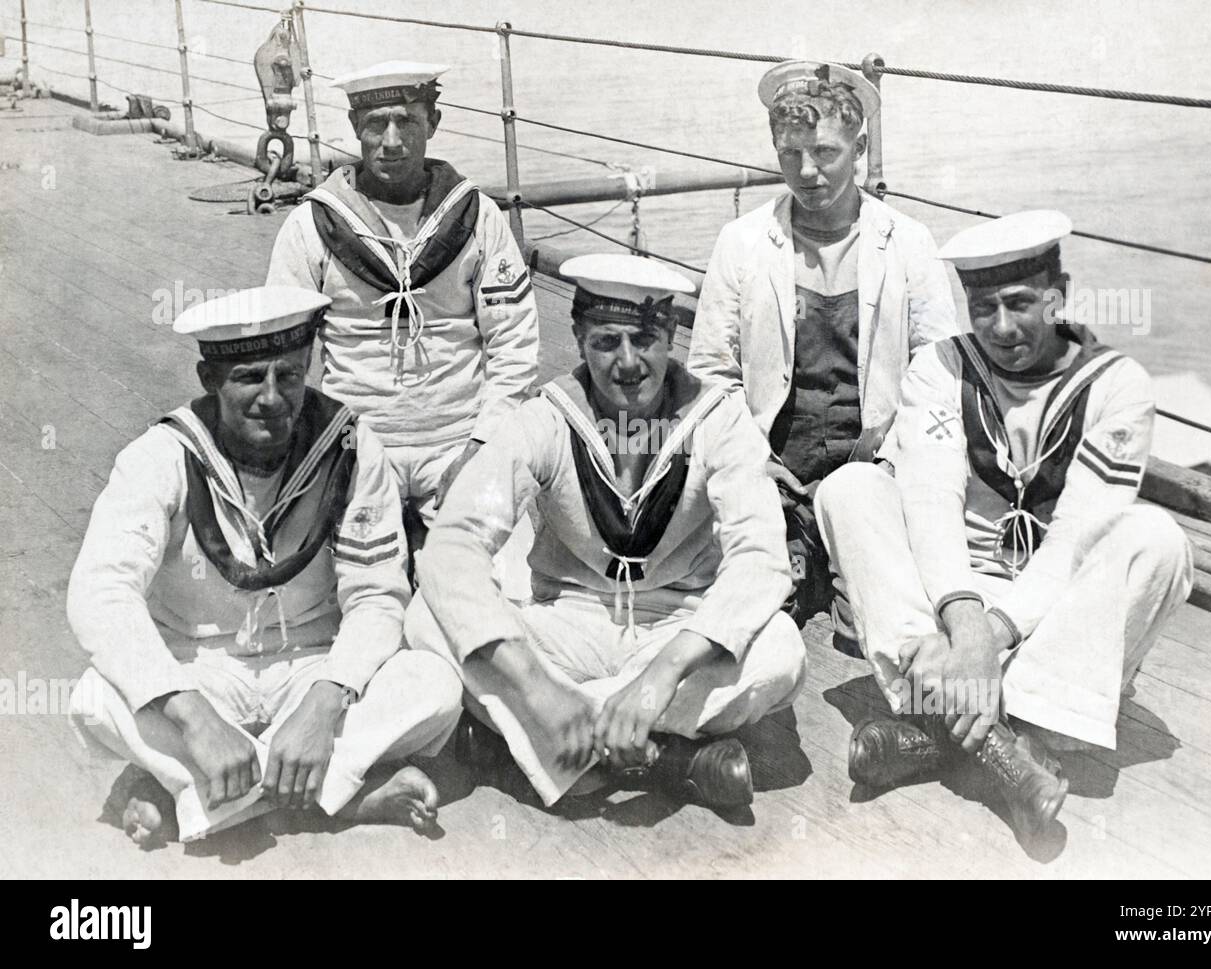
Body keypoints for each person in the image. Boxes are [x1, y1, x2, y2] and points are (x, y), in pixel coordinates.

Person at [814, 211, 1193, 837]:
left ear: (1060, 294)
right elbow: (930, 497)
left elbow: (1077, 537)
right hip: (953, 598)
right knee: (850, 488)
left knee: (1158, 541)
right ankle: (1008, 744)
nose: (1001, 326)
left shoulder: (1118, 384)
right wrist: (965, 630)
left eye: (1020, 304)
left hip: (1054, 621)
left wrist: (988, 641)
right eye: (983, 306)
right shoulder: (943, 365)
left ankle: (937, 721)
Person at [406, 254, 806, 809]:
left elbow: (760, 558)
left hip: (678, 626)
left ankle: (542, 741)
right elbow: (453, 545)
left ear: (671, 336)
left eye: (644, 339)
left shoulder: (719, 419)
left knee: (782, 651)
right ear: (577, 337)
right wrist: (538, 686)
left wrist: (661, 676)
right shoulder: (544, 419)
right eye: (605, 341)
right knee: (427, 614)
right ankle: (664, 754)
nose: (627, 363)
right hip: (567, 624)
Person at [66, 287, 462, 846]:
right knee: (91, 697)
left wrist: (324, 707)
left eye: (289, 376)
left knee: (436, 683)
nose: (272, 398)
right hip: (198, 667)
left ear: (308, 369)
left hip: (313, 663)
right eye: (250, 377)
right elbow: (100, 594)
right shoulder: (158, 456)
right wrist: (194, 719)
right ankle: (343, 796)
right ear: (209, 379)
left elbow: (376, 595)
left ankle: (198, 791)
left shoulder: (349, 444)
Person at [688, 60, 956, 644]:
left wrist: (892, 466)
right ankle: (793, 548)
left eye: (826, 153)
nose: (807, 173)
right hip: (772, 470)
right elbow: (710, 373)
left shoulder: (908, 244)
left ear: (860, 147)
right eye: (790, 155)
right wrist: (753, 461)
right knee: (749, 621)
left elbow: (939, 380)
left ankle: (839, 559)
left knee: (877, 631)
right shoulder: (742, 243)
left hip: (874, 473)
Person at [265, 61, 537, 590]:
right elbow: (284, 353)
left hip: (460, 435)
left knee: (507, 593)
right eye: (376, 124)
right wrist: (317, 450)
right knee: (354, 594)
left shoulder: (476, 217)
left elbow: (515, 344)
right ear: (354, 127)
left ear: (433, 123)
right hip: (358, 439)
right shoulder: (311, 225)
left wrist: (481, 446)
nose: (391, 141)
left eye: (407, 122)